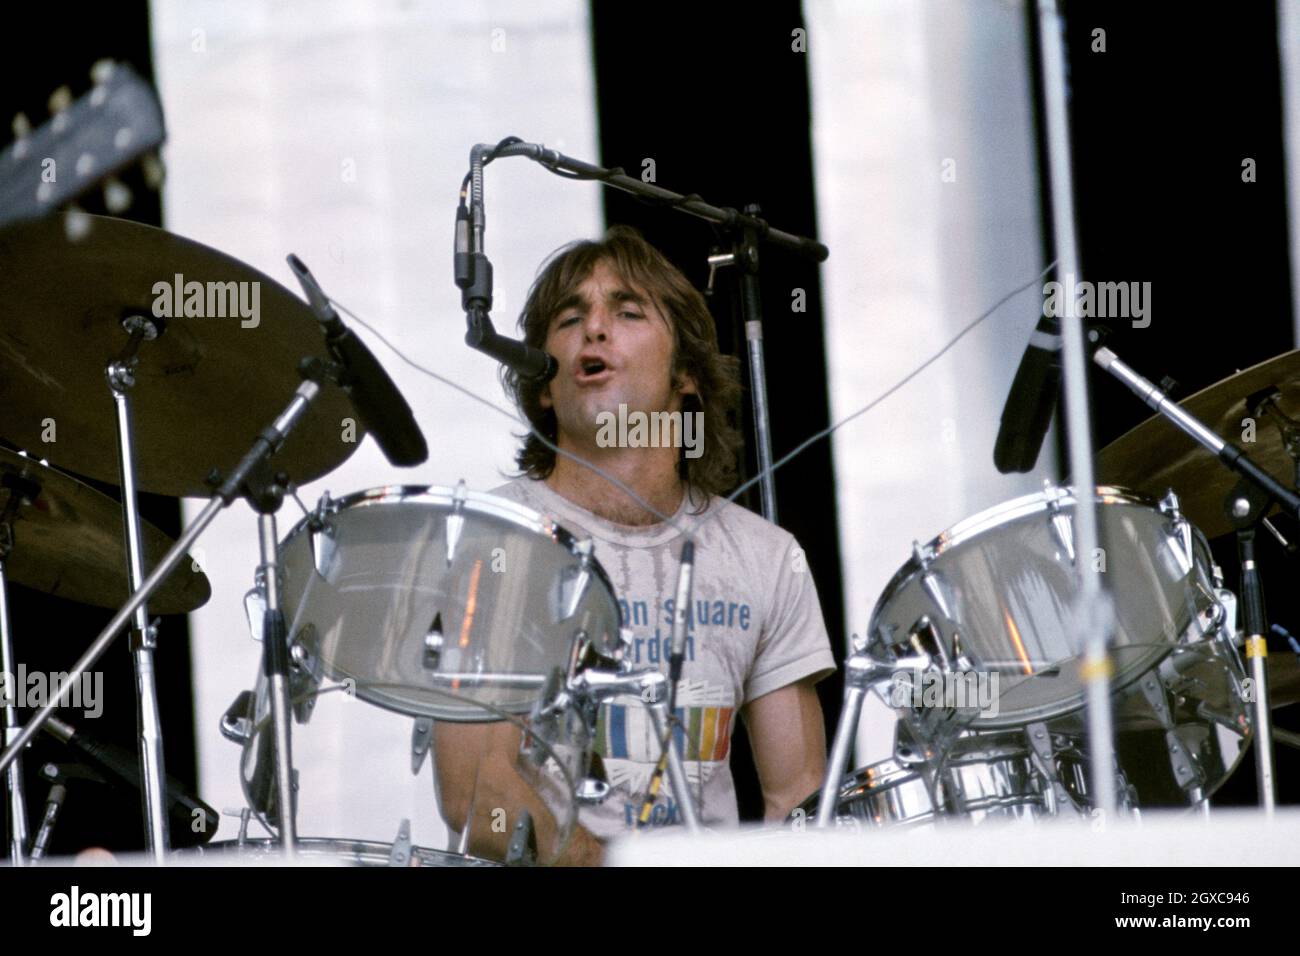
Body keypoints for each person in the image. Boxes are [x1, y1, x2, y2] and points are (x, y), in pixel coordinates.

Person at [434, 226, 835, 864]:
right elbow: (478, 798)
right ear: (543, 383)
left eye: (626, 312)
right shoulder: (498, 540)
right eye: (570, 320)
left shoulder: (767, 556)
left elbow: (800, 801)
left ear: (686, 376)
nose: (594, 330)